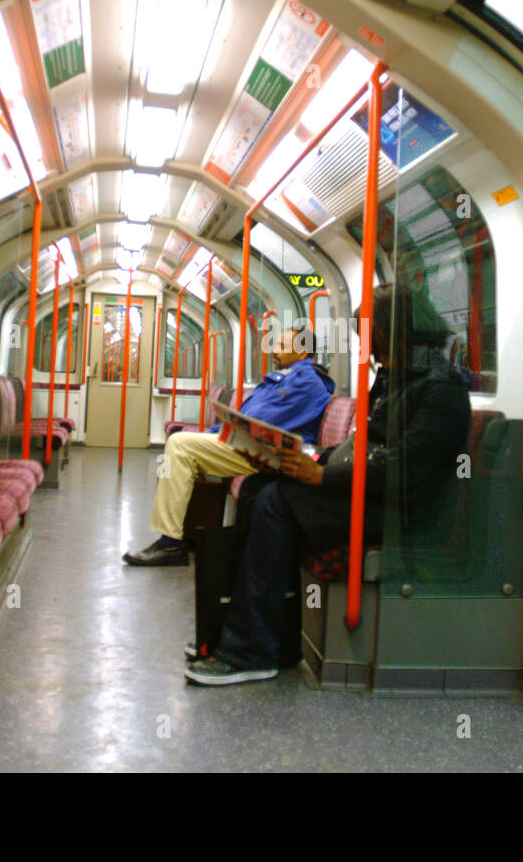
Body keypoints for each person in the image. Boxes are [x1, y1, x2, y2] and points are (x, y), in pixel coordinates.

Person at [185, 284, 471, 685]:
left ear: (396, 334)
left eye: (376, 345)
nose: (373, 357)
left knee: (276, 502)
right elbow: (366, 444)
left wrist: (322, 475)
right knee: (257, 488)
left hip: (401, 510)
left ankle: (251, 651)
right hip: (370, 491)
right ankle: (270, 638)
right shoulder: (396, 375)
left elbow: (405, 470)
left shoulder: (442, 387)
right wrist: (297, 461)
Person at [123, 325, 335, 567]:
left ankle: (170, 543)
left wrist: (225, 431)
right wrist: (215, 432)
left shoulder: (306, 382)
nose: (275, 351)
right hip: (253, 442)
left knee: (179, 445)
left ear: (303, 353)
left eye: (283, 347)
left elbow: (262, 420)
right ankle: (176, 535)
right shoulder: (286, 378)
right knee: (178, 450)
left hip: (273, 453)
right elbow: (251, 416)